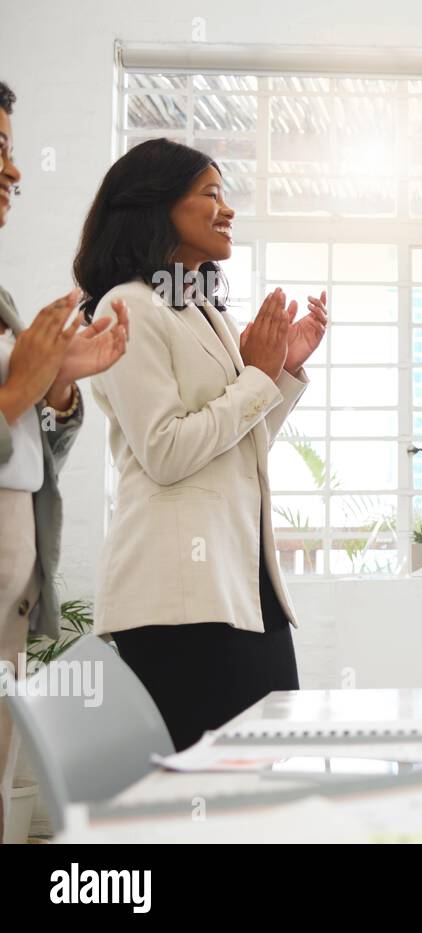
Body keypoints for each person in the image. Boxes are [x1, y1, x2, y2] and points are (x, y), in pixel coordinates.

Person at [76, 139, 328, 751]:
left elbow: (238, 444)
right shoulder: (126, 307)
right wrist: (258, 377)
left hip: (245, 588)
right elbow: (166, 453)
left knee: (266, 780)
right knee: (213, 804)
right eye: (210, 194)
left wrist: (282, 372)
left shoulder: (202, 309)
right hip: (179, 604)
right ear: (155, 208)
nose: (228, 210)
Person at [0, 79, 129, 839]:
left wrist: (56, 392)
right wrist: (20, 388)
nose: (15, 173)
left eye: (14, 153)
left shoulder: (5, 301)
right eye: (1, 153)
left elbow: (27, 457)